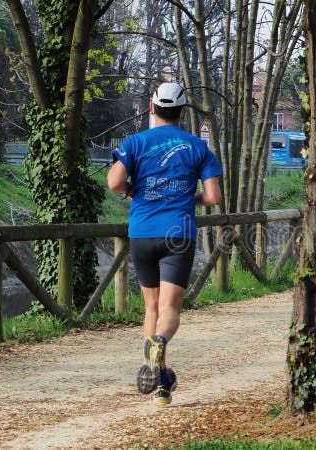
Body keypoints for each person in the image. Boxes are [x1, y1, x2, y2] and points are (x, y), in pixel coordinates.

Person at [107, 82, 223, 407]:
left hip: (142, 232)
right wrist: (188, 197)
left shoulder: (136, 142)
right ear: (183, 113)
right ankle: (159, 341)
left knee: (151, 308)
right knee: (170, 310)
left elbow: (114, 182)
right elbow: (213, 197)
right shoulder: (197, 147)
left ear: (151, 108)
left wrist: (134, 192)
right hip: (178, 233)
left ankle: (161, 384)